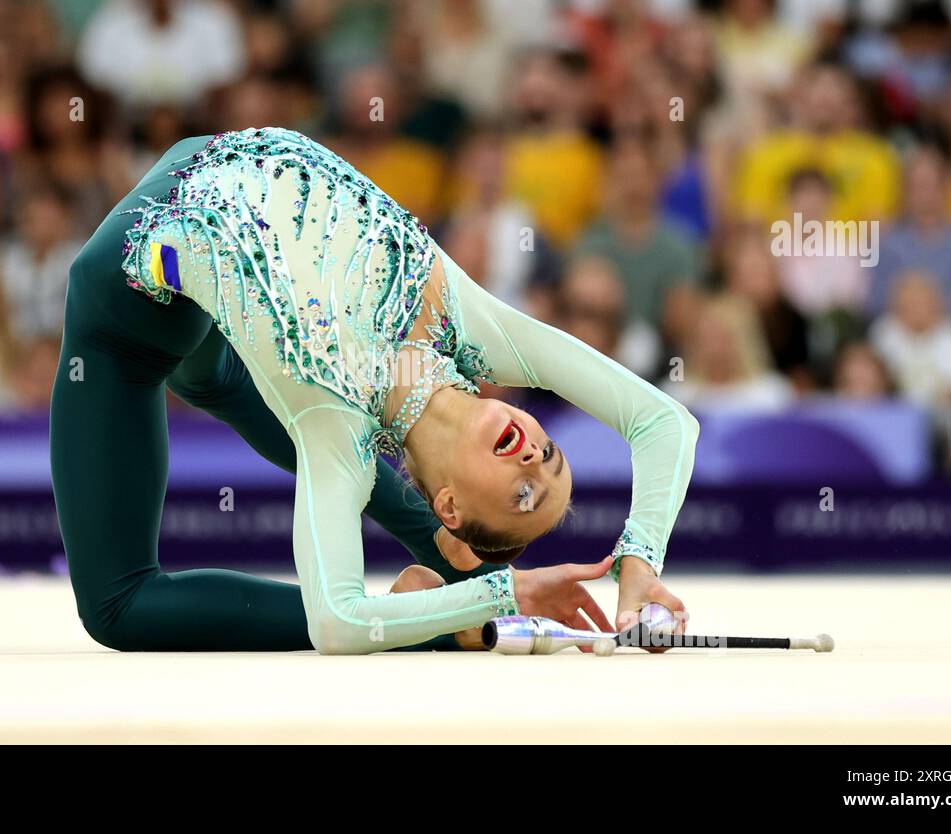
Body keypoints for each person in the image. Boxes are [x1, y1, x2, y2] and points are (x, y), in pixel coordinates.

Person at [51, 128, 698, 654]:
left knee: (117, 608)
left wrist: (497, 600)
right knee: (211, 373)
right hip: (205, 176)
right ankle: (444, 572)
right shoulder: (468, 324)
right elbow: (666, 422)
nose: (535, 461)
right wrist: (639, 563)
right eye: (551, 455)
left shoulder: (336, 433)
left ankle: (431, 611)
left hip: (124, 307)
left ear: (451, 503)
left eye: (525, 495)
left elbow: (334, 621)